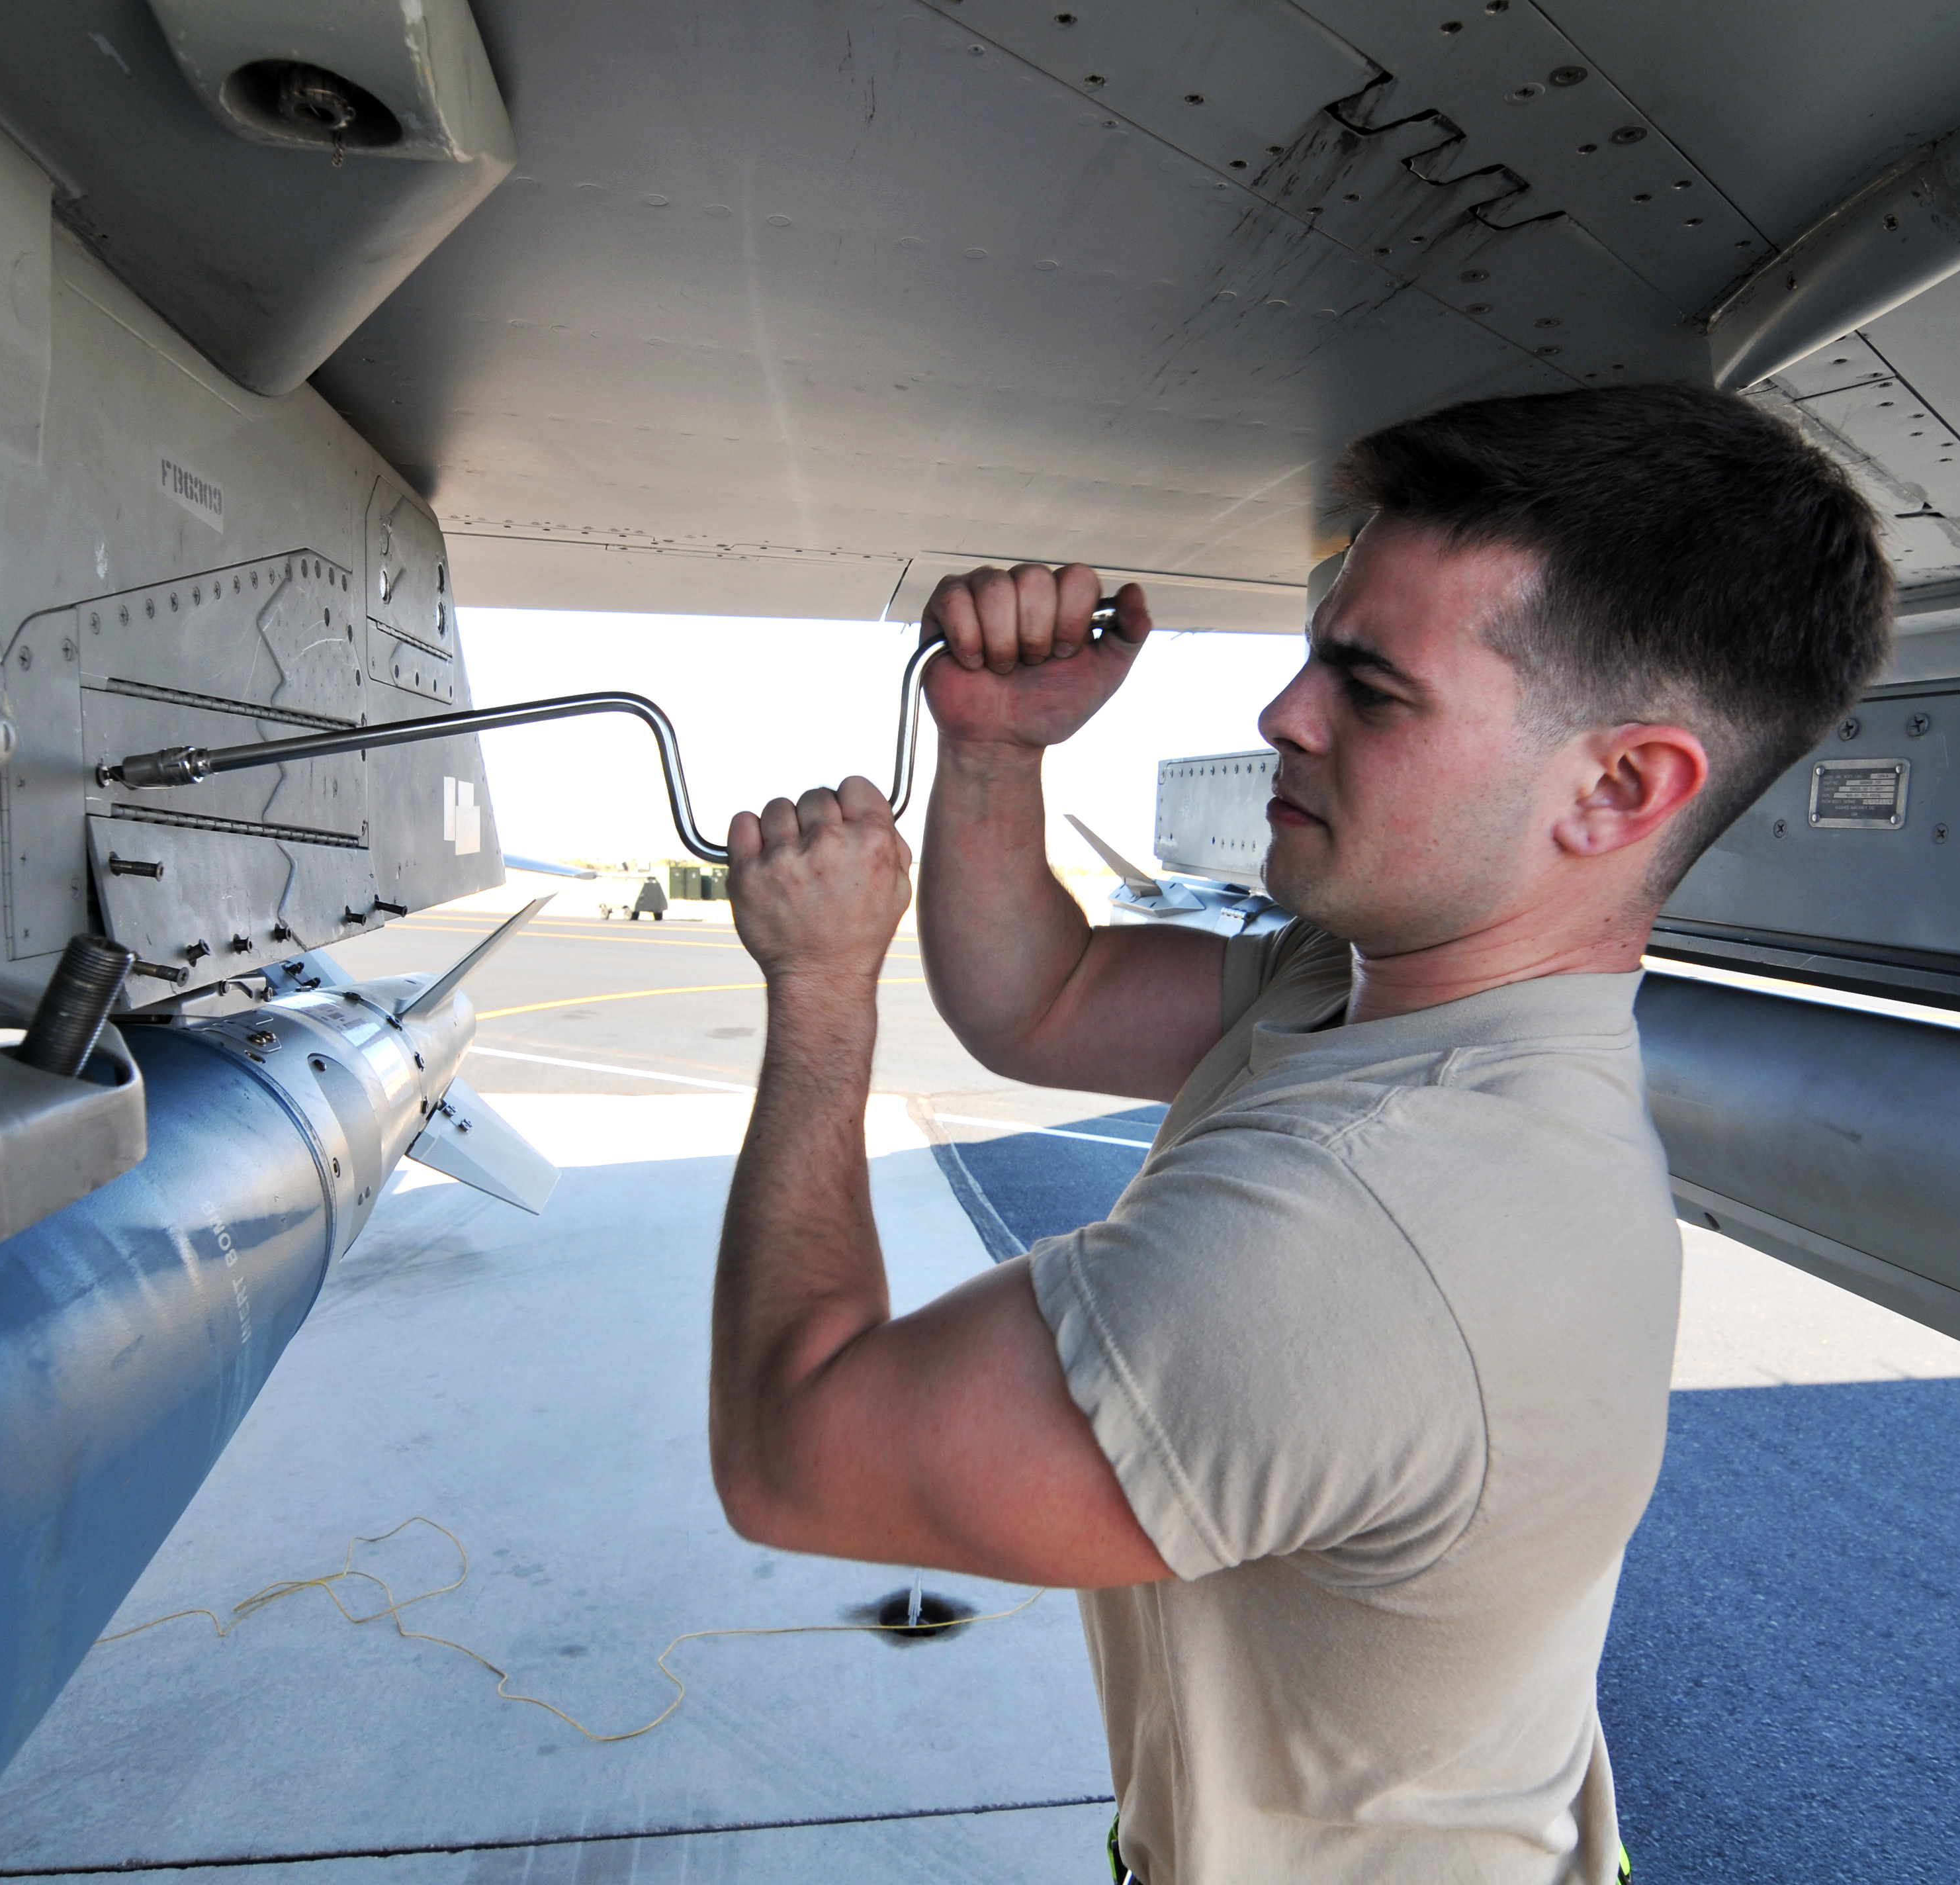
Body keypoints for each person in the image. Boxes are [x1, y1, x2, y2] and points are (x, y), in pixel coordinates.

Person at [706, 383, 1893, 1885]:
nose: (1281, 714)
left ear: (1618, 787)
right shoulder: (1375, 988)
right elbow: (1045, 995)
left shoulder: (1379, 1222)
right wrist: (997, 753)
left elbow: (793, 1451)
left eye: (1371, 688)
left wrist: (819, 993)